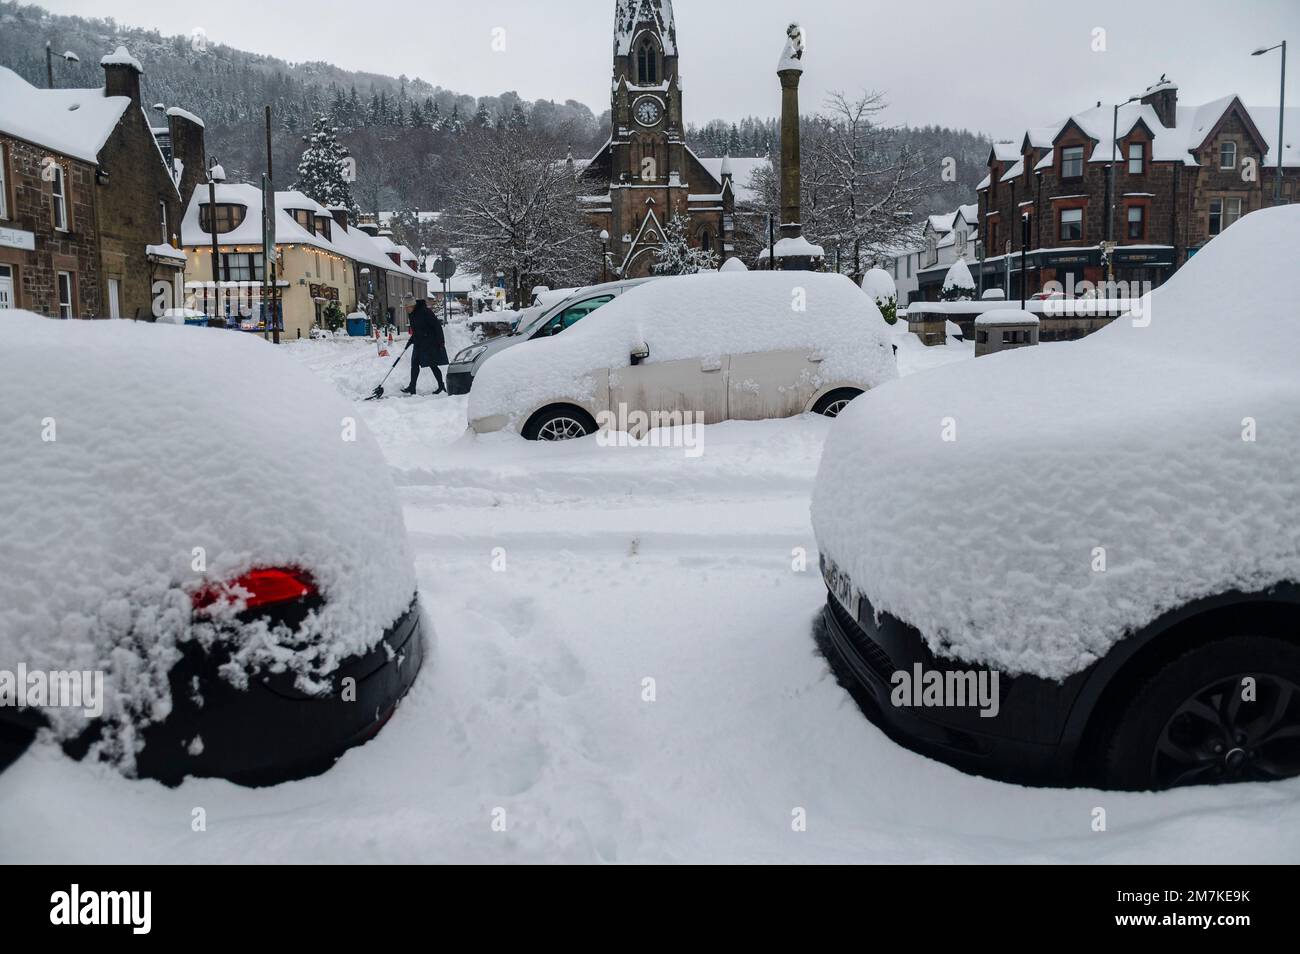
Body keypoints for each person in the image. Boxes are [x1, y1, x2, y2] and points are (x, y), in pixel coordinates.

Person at [401, 295, 447, 395]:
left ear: (412, 305)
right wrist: (411, 340)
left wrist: (441, 342)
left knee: (432, 364)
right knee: (414, 364)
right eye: (404, 307)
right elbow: (416, 330)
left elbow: (437, 327)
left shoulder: (425, 312)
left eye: (406, 307)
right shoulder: (411, 314)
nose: (405, 309)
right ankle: (412, 387)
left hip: (430, 342)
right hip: (419, 342)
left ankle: (441, 385)